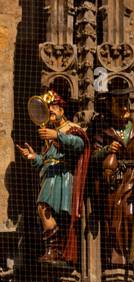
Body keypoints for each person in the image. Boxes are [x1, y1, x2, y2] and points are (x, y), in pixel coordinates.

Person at [17, 90, 89, 265]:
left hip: (62, 177)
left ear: (61, 111)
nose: (50, 116)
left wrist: (57, 135)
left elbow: (80, 144)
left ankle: (54, 249)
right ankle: (54, 249)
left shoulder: (71, 128)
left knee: (44, 208)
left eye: (52, 111)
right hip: (50, 175)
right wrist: (34, 158)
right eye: (47, 113)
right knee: (45, 210)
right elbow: (47, 160)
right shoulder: (51, 134)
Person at [92, 83, 134, 267]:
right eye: (119, 104)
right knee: (115, 219)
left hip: (133, 178)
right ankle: (117, 255)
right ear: (110, 105)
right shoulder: (103, 130)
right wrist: (106, 150)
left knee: (132, 214)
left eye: (126, 103)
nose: (125, 108)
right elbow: (92, 156)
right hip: (113, 181)